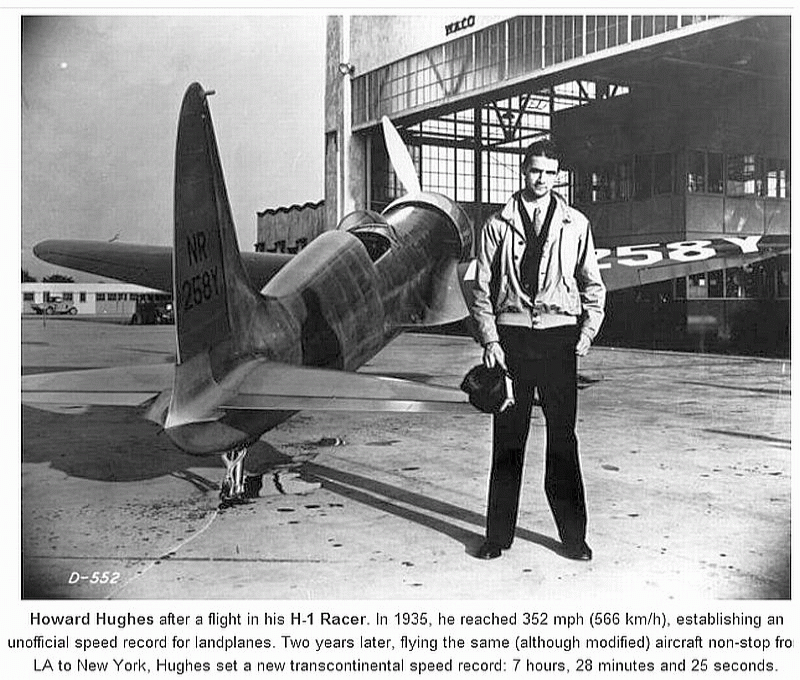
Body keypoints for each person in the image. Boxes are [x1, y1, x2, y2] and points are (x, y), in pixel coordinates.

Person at [470, 137, 606, 561]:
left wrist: (585, 335)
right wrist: (490, 339)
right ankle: (498, 536)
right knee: (509, 441)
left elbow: (593, 286)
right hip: (512, 340)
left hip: (559, 340)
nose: (542, 179)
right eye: (535, 171)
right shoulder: (496, 225)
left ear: (557, 175)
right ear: (522, 172)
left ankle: (573, 537)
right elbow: (481, 290)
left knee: (563, 440)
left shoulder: (576, 224)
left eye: (549, 172)